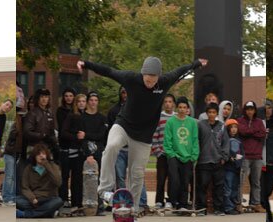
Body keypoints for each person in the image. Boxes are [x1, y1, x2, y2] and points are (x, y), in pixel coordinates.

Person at [76, 55, 206, 212]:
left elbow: (180, 70)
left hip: (144, 134)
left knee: (137, 172)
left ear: (158, 77)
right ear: (142, 74)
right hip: (124, 125)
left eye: (153, 81)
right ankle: (104, 189)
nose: (150, 84)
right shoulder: (131, 78)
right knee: (111, 146)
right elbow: (109, 71)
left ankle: (133, 209)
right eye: (147, 80)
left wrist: (197, 64)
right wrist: (86, 64)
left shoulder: (164, 81)